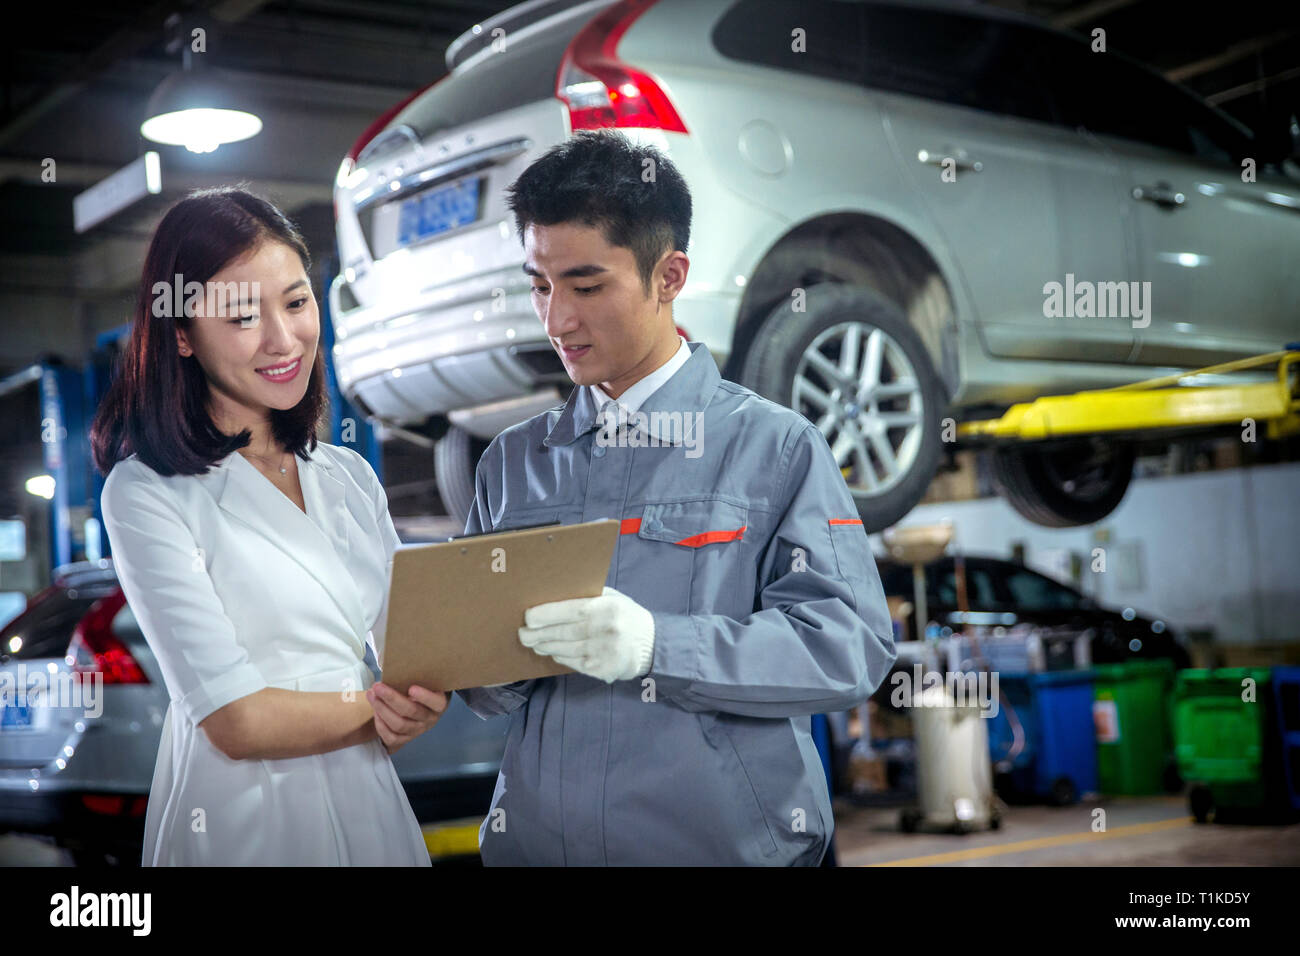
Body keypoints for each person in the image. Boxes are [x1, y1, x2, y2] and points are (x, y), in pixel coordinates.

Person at [457, 130, 898, 865]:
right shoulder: (512, 463)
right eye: (540, 284)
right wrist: (475, 662)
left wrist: (659, 647)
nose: (557, 319)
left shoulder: (774, 448)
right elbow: (487, 688)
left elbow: (847, 646)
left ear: (670, 275)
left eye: (587, 286)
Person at [91, 186, 444, 866]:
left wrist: (431, 693)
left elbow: (410, 650)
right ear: (183, 336)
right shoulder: (146, 492)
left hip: (367, 797)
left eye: (296, 300)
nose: (285, 340)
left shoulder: (345, 476)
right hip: (238, 816)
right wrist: (384, 710)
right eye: (243, 315)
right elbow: (236, 720)